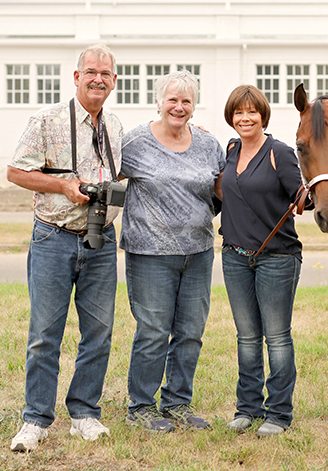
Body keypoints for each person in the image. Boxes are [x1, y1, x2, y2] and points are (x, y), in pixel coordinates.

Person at [6, 44, 123, 453]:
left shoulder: (116, 127)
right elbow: (15, 171)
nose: (98, 79)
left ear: (113, 81)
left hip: (102, 242)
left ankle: (85, 413)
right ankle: (35, 419)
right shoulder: (46, 120)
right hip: (53, 237)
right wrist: (62, 185)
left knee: (99, 332)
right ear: (76, 77)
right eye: (91, 72)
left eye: (106, 74)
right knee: (44, 334)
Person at [119, 70, 224, 432]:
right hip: (149, 254)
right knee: (152, 330)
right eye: (173, 100)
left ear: (194, 106)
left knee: (191, 331)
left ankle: (178, 403)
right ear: (159, 102)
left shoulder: (209, 145)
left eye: (186, 101)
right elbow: (102, 172)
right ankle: (141, 408)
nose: (179, 107)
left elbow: (224, 190)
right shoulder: (135, 143)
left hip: (198, 252)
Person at [219, 85, 303, 437]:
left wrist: (311, 195)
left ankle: (279, 414)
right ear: (231, 117)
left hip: (277, 259)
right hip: (235, 257)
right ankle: (247, 408)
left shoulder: (279, 153)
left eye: (252, 112)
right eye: (239, 112)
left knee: (277, 338)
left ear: (263, 115)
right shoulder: (231, 149)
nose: (245, 118)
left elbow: (301, 195)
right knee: (247, 337)